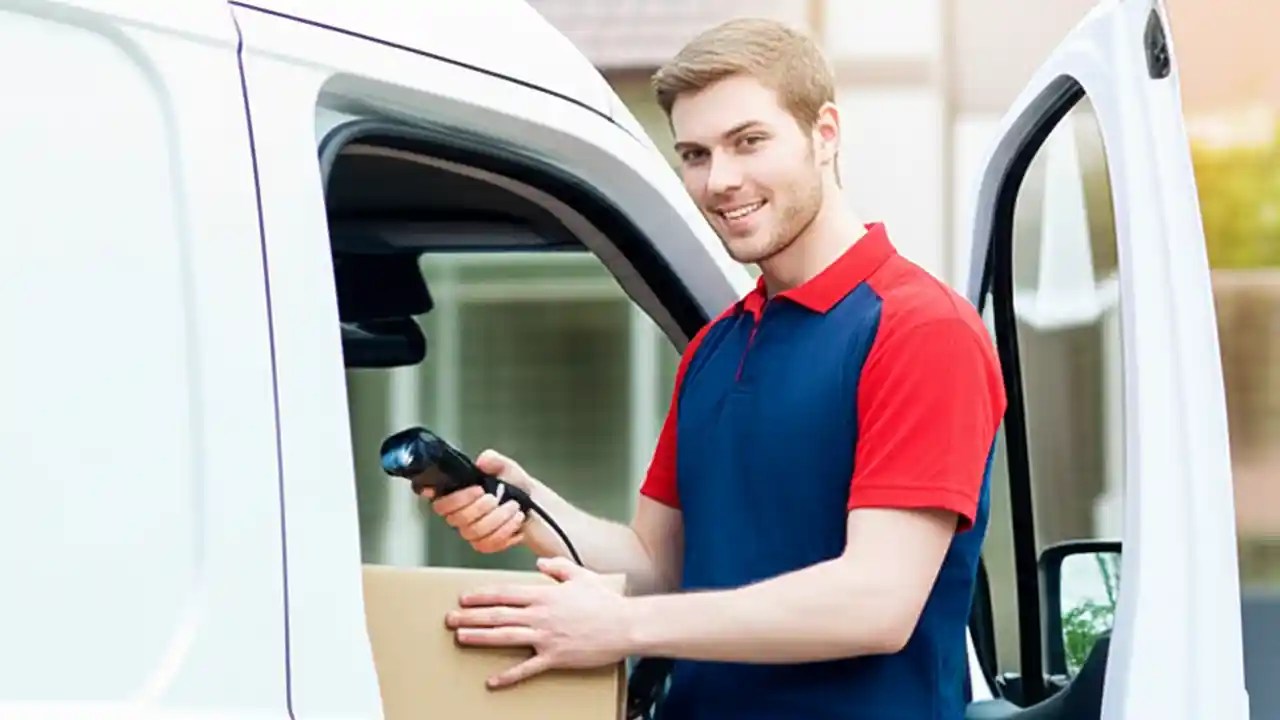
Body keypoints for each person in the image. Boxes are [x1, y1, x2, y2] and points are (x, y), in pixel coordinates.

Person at [428, 16, 1007, 720]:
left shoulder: (919, 328)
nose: (720, 181)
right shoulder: (716, 347)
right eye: (696, 154)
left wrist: (620, 629)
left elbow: (876, 602)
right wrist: (532, 510)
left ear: (824, 134)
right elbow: (660, 568)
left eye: (748, 142)